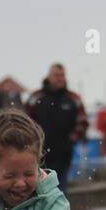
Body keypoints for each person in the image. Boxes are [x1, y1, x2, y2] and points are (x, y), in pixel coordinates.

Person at [25, 64, 88, 194]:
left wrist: (71, 139)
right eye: (56, 75)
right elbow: (24, 121)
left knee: (60, 191)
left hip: (63, 155)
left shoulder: (73, 99)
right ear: (49, 76)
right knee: (37, 190)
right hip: (38, 155)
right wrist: (32, 142)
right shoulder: (36, 97)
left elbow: (83, 122)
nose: (59, 79)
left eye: (62, 75)